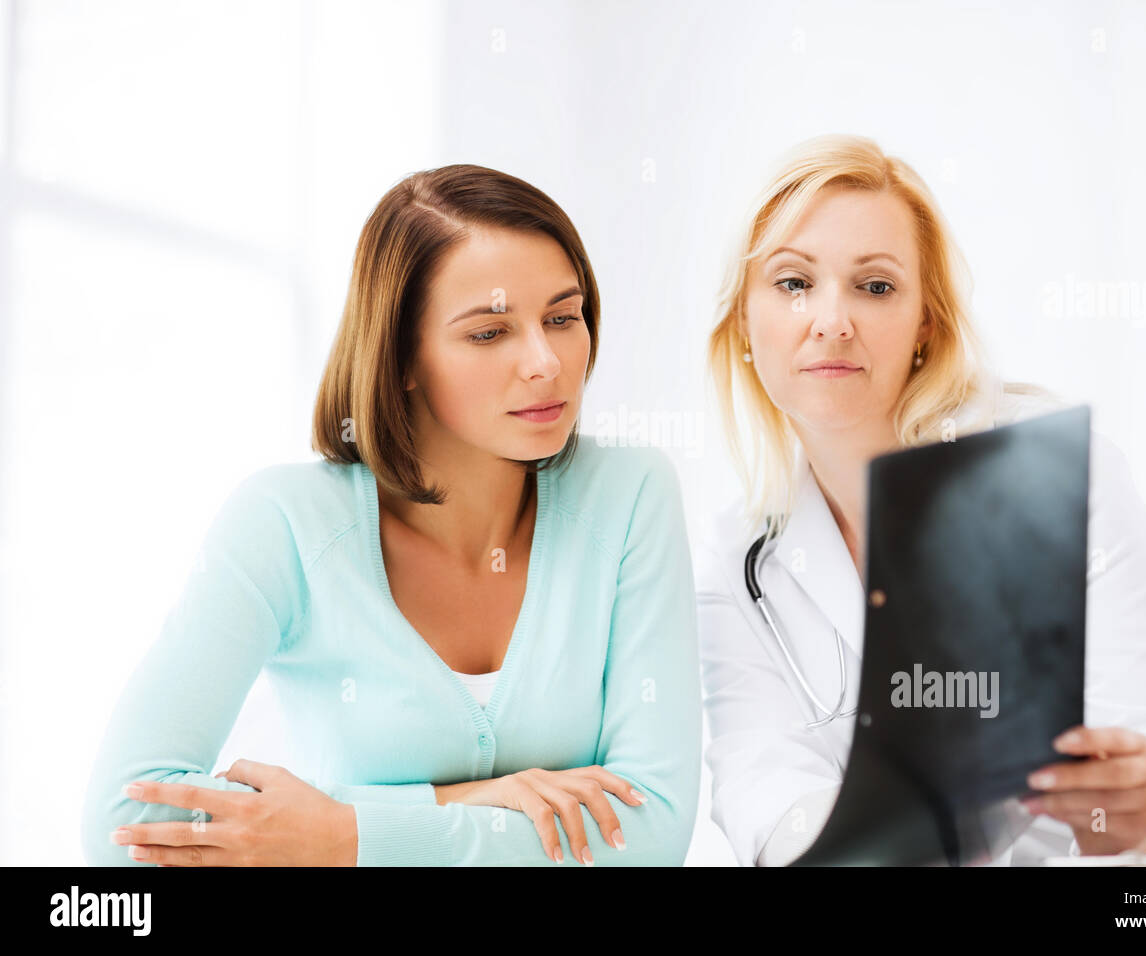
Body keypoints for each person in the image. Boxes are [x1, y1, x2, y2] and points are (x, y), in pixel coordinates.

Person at [80, 164, 701, 866]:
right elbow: (124, 821)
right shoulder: (285, 523)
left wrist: (342, 834)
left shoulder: (630, 496)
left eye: (563, 317)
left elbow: (650, 836)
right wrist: (460, 802)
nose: (546, 362)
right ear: (402, 356)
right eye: (491, 332)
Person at [695, 133, 1146, 867]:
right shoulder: (740, 561)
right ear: (744, 324)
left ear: (925, 326)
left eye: (875, 286)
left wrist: (1141, 817)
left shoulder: (1049, 480)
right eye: (792, 283)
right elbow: (764, 785)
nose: (832, 320)